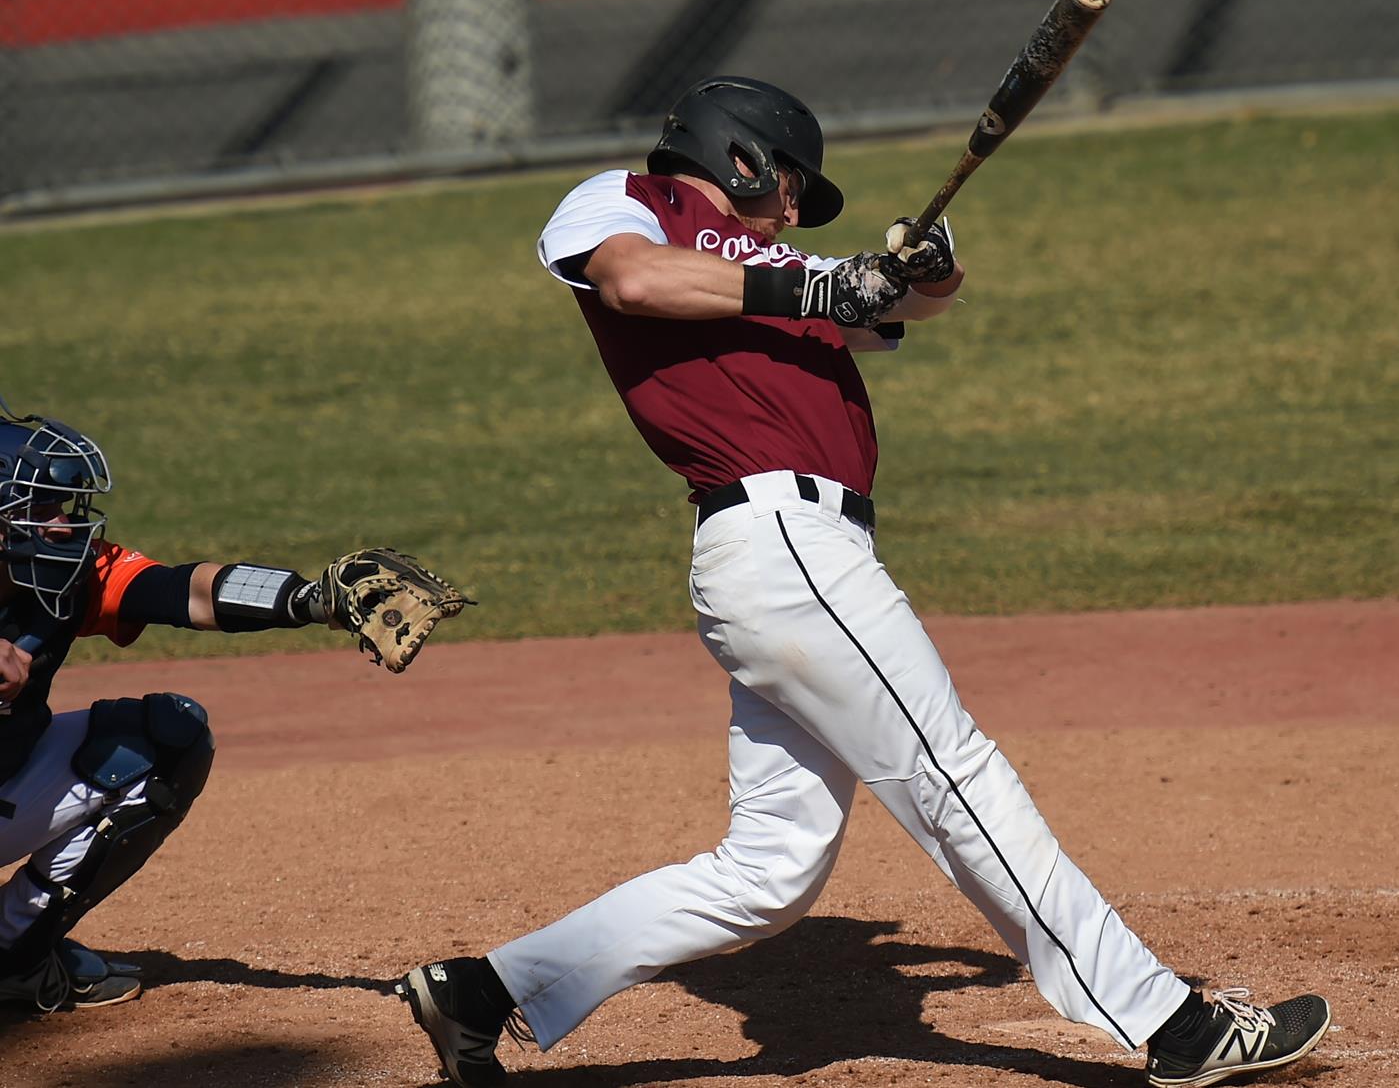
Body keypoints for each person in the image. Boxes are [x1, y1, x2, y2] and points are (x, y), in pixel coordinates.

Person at [395, 75, 1331, 1088]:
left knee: (768, 872)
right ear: (740, 156)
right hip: (780, 541)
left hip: (796, 560)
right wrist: (817, 284)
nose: (792, 209)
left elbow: (903, 306)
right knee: (954, 772)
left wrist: (926, 268)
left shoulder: (777, 260)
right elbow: (630, 281)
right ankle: (1172, 1023)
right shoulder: (626, 203)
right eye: (789, 182)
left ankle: (484, 989)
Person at [0, 405, 463, 1012]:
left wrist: (312, 600)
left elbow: (180, 591)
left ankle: (15, 957)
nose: (63, 526)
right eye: (38, 511)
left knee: (165, 742)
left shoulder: (60, 578)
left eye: (64, 507)